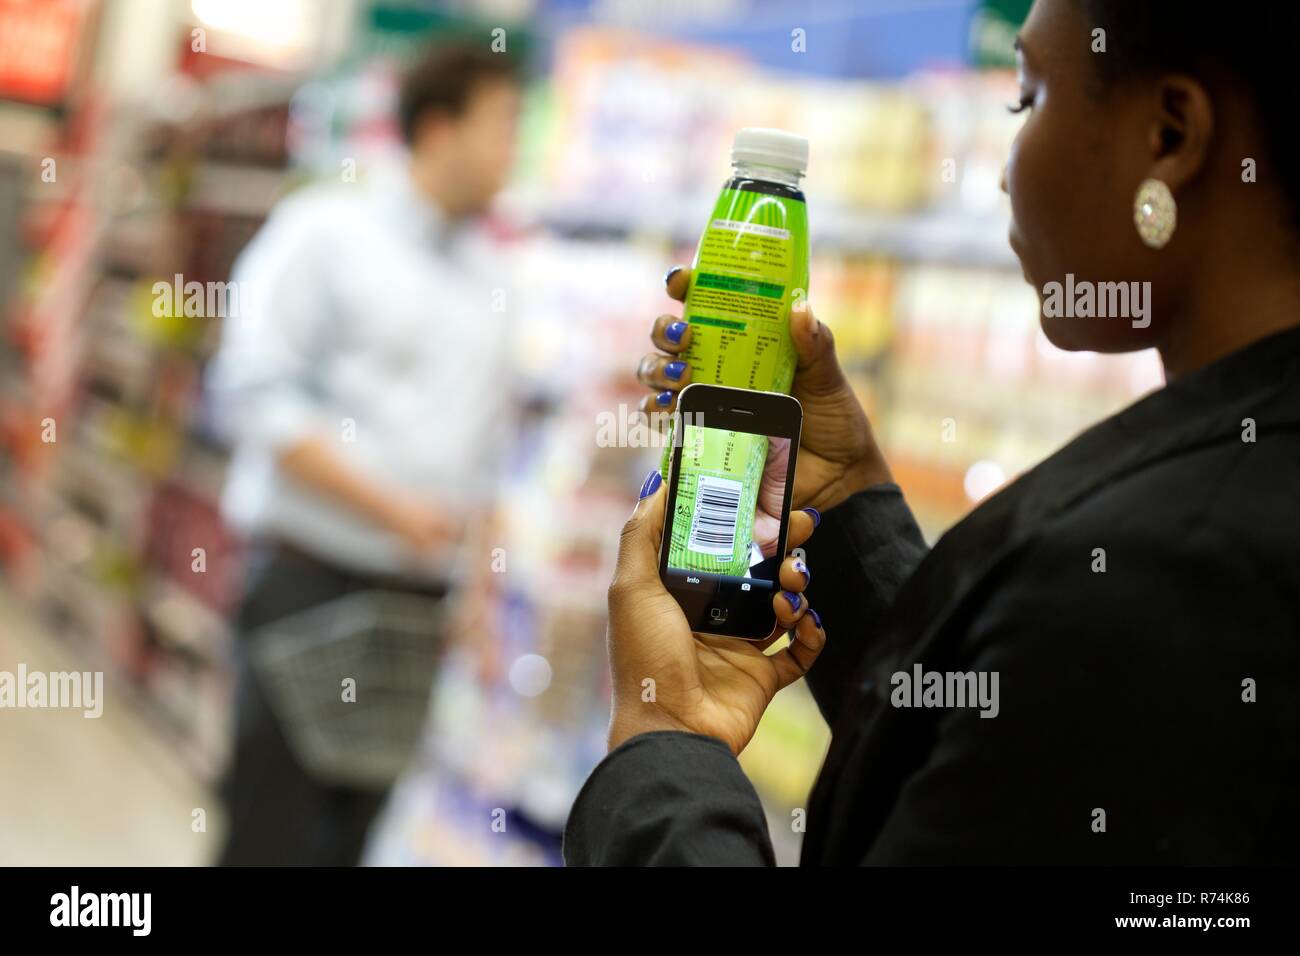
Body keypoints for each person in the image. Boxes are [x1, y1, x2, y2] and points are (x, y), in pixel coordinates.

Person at [564, 0, 1300, 865]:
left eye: (1027, 98)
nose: (1000, 173)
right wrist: (845, 498)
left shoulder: (1161, 569)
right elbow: (1005, 748)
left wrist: (662, 750)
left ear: (1170, 134)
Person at [206, 43, 521, 866]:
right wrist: (392, 511)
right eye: (501, 126)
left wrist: (479, 596)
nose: (511, 151)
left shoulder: (494, 280)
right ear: (439, 127)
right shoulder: (327, 232)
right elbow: (255, 395)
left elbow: (486, 454)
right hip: (310, 581)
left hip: (415, 610)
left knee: (350, 844)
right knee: (268, 839)